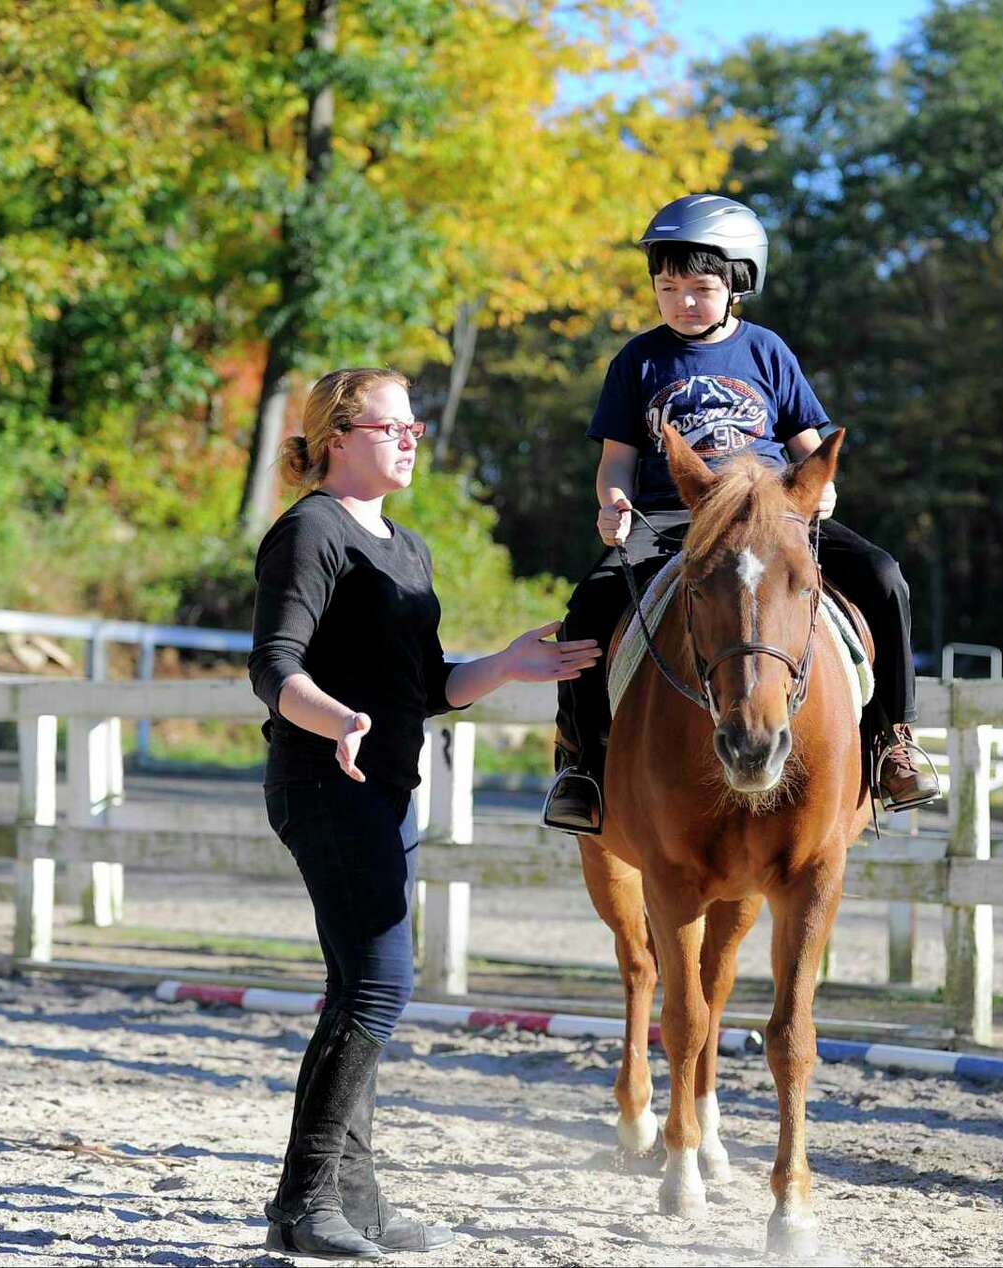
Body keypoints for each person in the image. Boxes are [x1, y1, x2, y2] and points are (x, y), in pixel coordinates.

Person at [249, 367, 601, 1260]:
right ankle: (301, 1205)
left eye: (414, 427)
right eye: (392, 426)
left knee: (358, 987)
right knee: (381, 984)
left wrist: (511, 664)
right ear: (338, 436)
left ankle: (353, 1205)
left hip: (387, 789)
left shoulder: (406, 546)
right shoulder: (309, 532)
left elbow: (429, 685)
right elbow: (274, 665)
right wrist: (336, 719)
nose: (410, 439)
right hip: (325, 783)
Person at [541, 193, 940, 836]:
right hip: (674, 522)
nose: (681, 302)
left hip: (770, 517)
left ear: (738, 284)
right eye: (667, 288)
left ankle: (892, 740)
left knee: (885, 576)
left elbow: (807, 440)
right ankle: (582, 765)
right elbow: (616, 461)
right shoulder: (638, 361)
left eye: (699, 288)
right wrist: (613, 502)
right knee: (586, 612)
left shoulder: (767, 352)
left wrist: (822, 486)